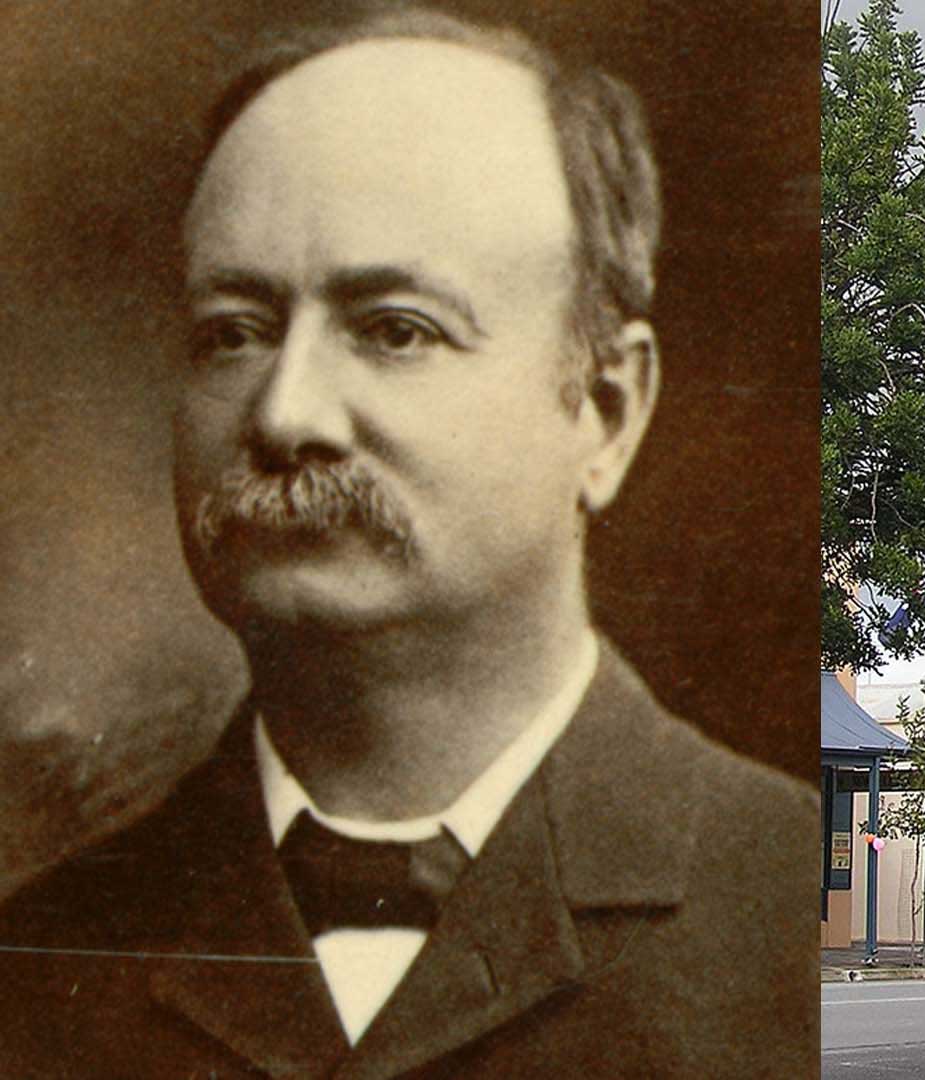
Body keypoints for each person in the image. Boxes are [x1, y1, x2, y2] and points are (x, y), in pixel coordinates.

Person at [0, 9, 815, 1077]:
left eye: (396, 329)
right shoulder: (37, 961)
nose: (286, 414)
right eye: (232, 332)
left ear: (605, 410)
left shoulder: (802, 922)